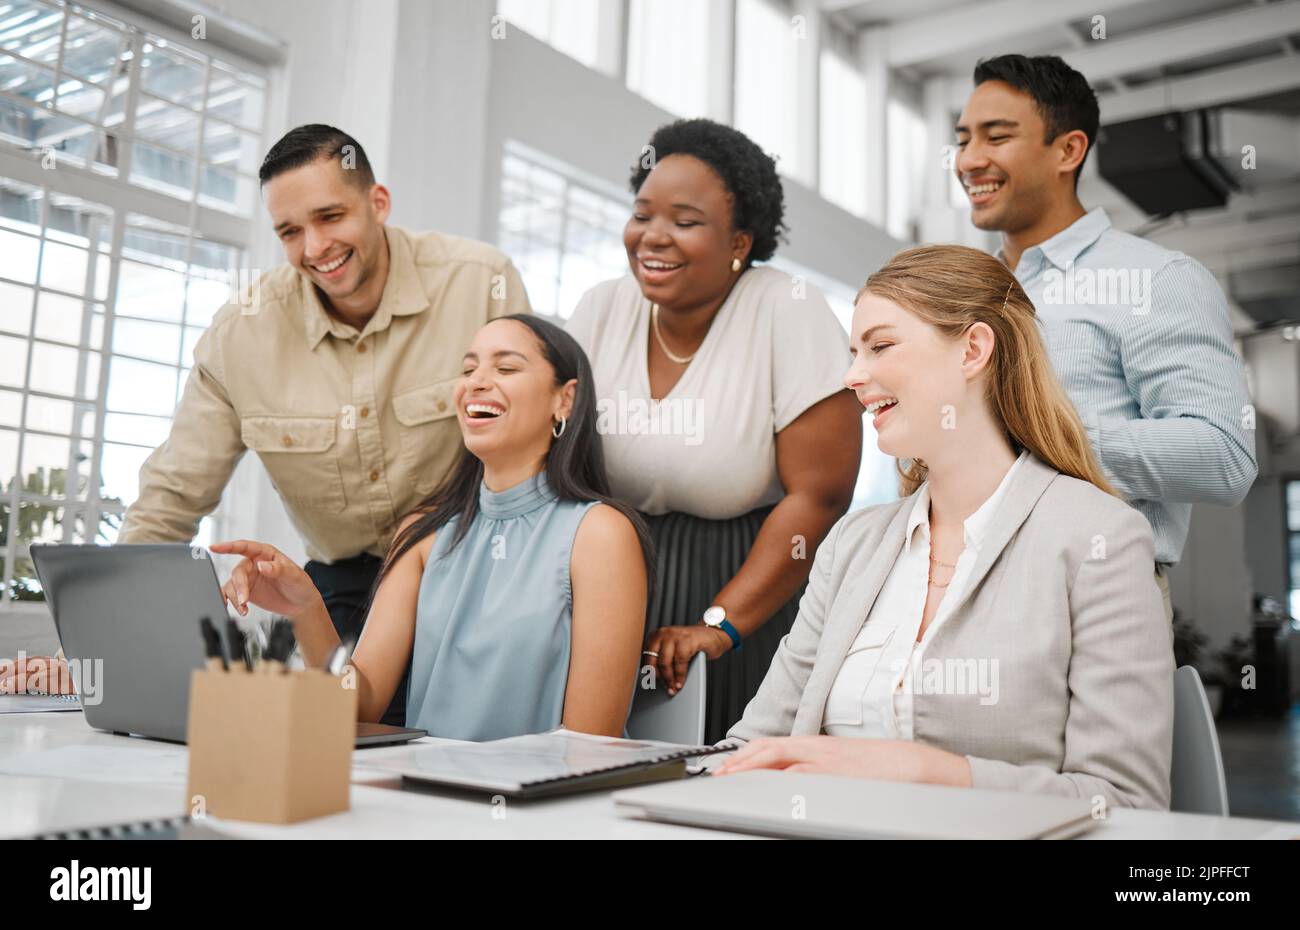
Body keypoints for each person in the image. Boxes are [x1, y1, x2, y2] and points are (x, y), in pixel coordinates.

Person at [1, 125, 531, 721]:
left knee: (473, 733)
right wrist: (93, 651)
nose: (315, 246)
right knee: (336, 740)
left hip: (479, 566)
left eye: (331, 216)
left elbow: (534, 440)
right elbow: (171, 497)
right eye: (289, 231)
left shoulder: (479, 281)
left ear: (378, 203)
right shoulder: (242, 334)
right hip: (344, 589)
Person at [709, 245, 1174, 812]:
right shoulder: (853, 545)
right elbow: (754, 744)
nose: (853, 376)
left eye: (880, 346)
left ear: (974, 349)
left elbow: (1126, 802)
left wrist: (925, 771)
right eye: (853, 353)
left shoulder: (1099, 538)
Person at [211, 316, 651, 739]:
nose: (476, 381)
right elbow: (356, 709)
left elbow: (590, 743)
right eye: (468, 368)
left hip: (541, 804)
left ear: (565, 400)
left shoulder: (600, 533)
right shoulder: (422, 533)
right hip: (430, 797)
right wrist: (305, 606)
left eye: (506, 367)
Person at [565, 119, 862, 743]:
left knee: (722, 774)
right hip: (610, 584)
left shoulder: (789, 308)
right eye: (642, 213)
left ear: (740, 240)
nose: (654, 236)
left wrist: (720, 623)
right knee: (594, 768)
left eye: (685, 220)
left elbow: (820, 496)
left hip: (748, 592)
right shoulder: (601, 308)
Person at [955, 54, 1257, 621]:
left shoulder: (1156, 278)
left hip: (1096, 592)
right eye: (963, 138)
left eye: (996, 137)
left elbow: (1225, 455)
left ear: (1068, 150)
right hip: (968, 585)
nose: (970, 159)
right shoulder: (975, 294)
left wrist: (1037, 440)